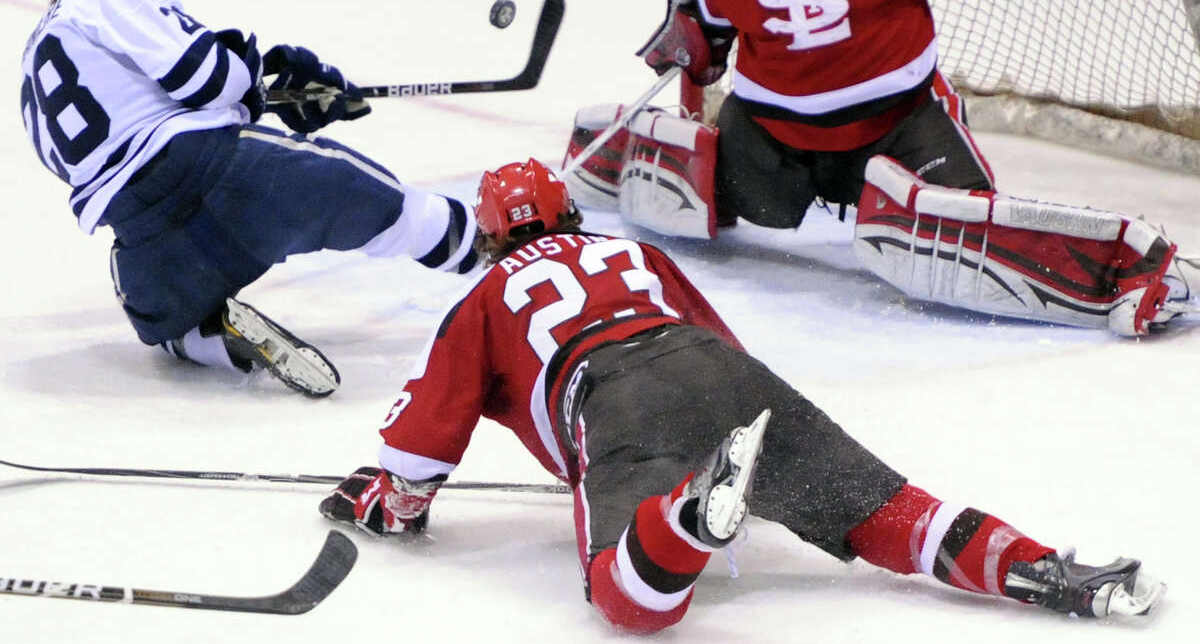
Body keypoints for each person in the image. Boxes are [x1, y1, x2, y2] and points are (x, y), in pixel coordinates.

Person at [320, 158, 1163, 632]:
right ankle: (1051, 570)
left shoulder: (487, 294)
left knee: (628, 601)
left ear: (498, 234)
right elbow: (723, 342)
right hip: (721, 372)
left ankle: (688, 516)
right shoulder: (631, 255)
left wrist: (389, 499)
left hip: (615, 395)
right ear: (571, 212)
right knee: (885, 512)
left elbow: (422, 438)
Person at [568, 0, 1191, 337]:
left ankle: (1115, 271)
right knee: (706, 197)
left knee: (963, 223)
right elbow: (698, 28)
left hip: (896, 125)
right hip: (767, 134)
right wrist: (688, 44)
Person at [20, 0, 479, 398]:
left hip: (143, 243)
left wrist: (262, 92)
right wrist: (252, 81)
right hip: (218, 175)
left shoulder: (34, 58)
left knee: (168, 328)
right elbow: (209, 77)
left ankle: (211, 339)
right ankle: (492, 253)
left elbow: (123, 131)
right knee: (381, 202)